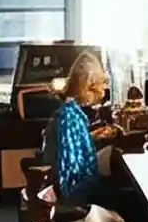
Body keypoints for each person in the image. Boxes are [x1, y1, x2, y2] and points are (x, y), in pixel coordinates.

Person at [41, 51, 118, 208]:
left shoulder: (70, 112)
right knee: (128, 196)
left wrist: (92, 139)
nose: (103, 90)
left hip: (74, 187)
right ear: (90, 84)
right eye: (102, 83)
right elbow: (72, 176)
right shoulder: (70, 117)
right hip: (74, 197)